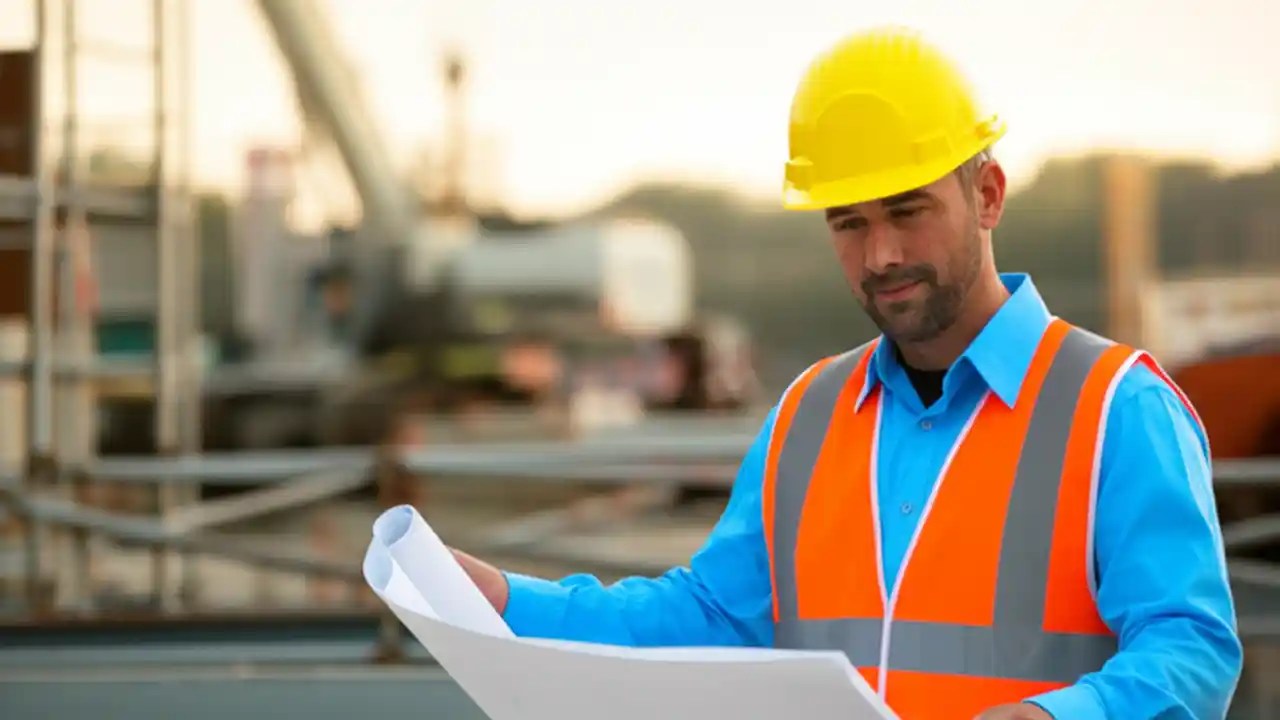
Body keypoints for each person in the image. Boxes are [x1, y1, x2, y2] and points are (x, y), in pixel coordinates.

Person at [451, 26, 1243, 720]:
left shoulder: (1118, 408)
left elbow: (1192, 646)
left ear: (988, 195)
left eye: (907, 211)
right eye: (850, 223)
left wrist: (1060, 716)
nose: (882, 255)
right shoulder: (808, 414)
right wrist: (508, 603)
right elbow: (710, 616)